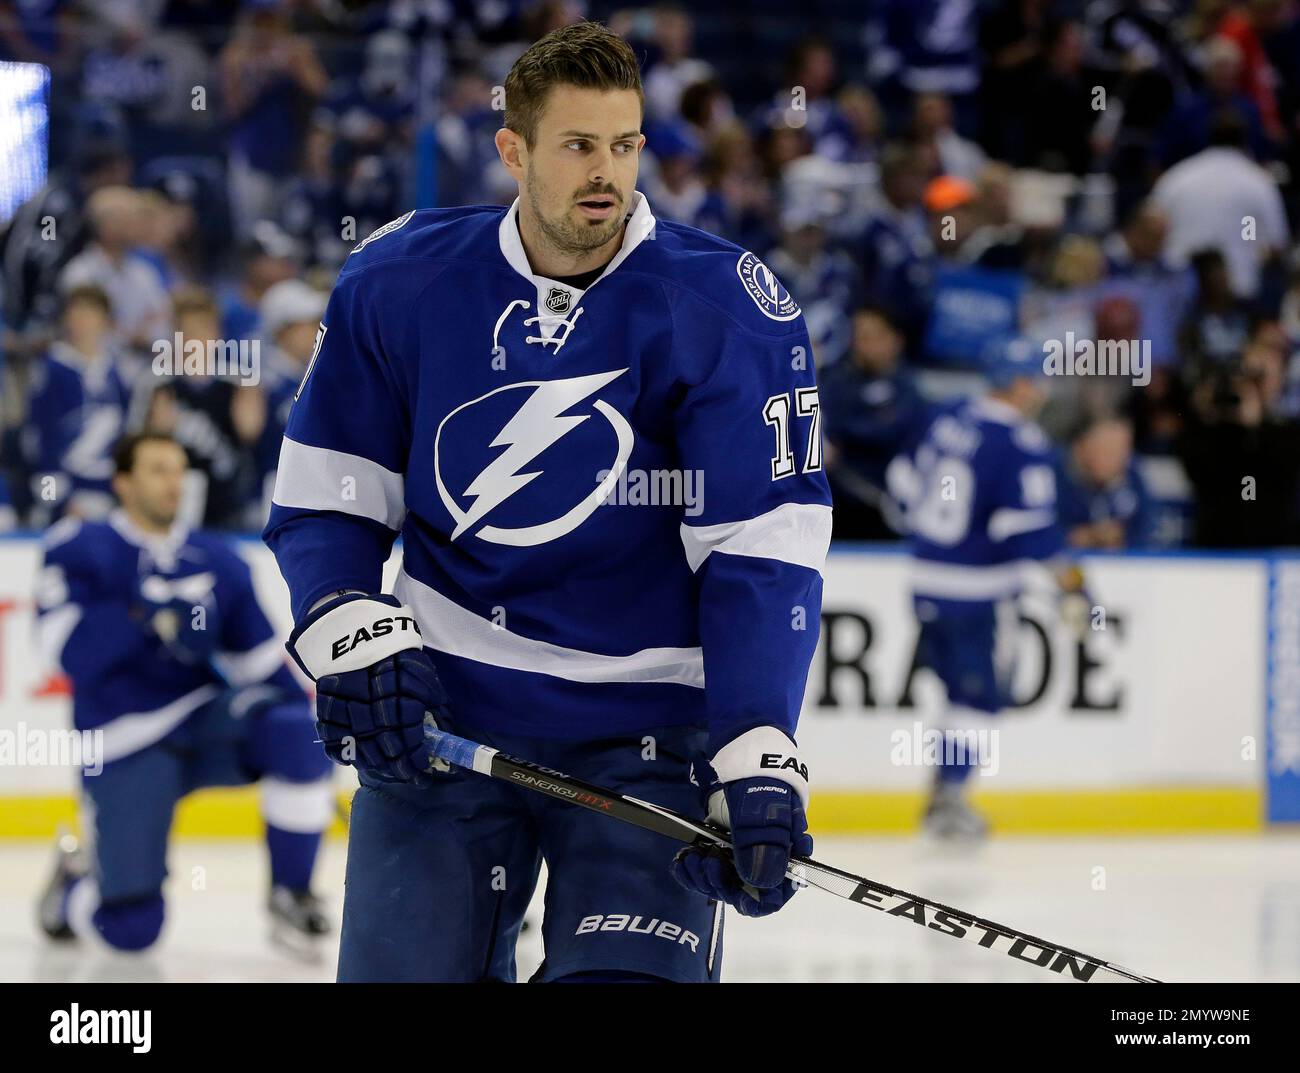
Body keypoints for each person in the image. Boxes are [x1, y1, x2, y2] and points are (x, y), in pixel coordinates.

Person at [262, 21, 832, 983]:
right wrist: (347, 620)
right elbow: (329, 496)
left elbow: (761, 550)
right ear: (513, 150)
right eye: (578, 146)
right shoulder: (402, 282)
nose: (606, 172)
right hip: (440, 723)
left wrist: (758, 743)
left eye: (623, 145)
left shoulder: (726, 309)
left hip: (649, 745)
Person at [35, 432, 335, 954]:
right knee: (132, 931)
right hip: (122, 740)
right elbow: (64, 650)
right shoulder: (81, 548)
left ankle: (293, 893)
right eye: (157, 470)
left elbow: (263, 666)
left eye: (178, 470)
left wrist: (329, 728)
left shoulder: (214, 558)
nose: (173, 483)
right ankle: (73, 889)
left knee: (297, 731)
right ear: (122, 483)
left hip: (202, 721)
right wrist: (146, 618)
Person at [903, 341, 1085, 838]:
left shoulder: (950, 418)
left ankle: (944, 791)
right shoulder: (1019, 442)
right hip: (976, 592)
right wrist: (1075, 588)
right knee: (978, 701)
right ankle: (950, 799)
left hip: (925, 582)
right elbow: (1032, 534)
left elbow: (904, 482)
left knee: (957, 697)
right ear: (1021, 384)